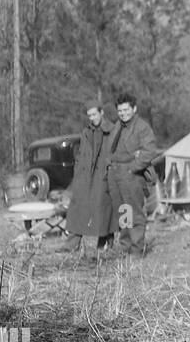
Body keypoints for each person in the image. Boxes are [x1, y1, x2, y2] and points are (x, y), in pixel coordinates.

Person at [60, 99, 117, 256]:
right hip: (85, 176)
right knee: (78, 206)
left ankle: (105, 242)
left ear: (102, 112)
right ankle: (72, 243)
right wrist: (78, 171)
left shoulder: (112, 130)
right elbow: (81, 154)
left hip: (103, 175)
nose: (92, 118)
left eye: (94, 114)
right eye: (89, 115)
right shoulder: (87, 132)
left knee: (103, 208)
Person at [105, 92, 158, 256]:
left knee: (134, 212)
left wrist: (133, 167)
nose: (123, 114)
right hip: (116, 174)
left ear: (134, 109)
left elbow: (149, 152)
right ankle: (125, 247)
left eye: (126, 110)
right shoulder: (118, 126)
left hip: (132, 176)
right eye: (120, 111)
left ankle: (136, 250)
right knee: (123, 211)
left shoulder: (142, 127)